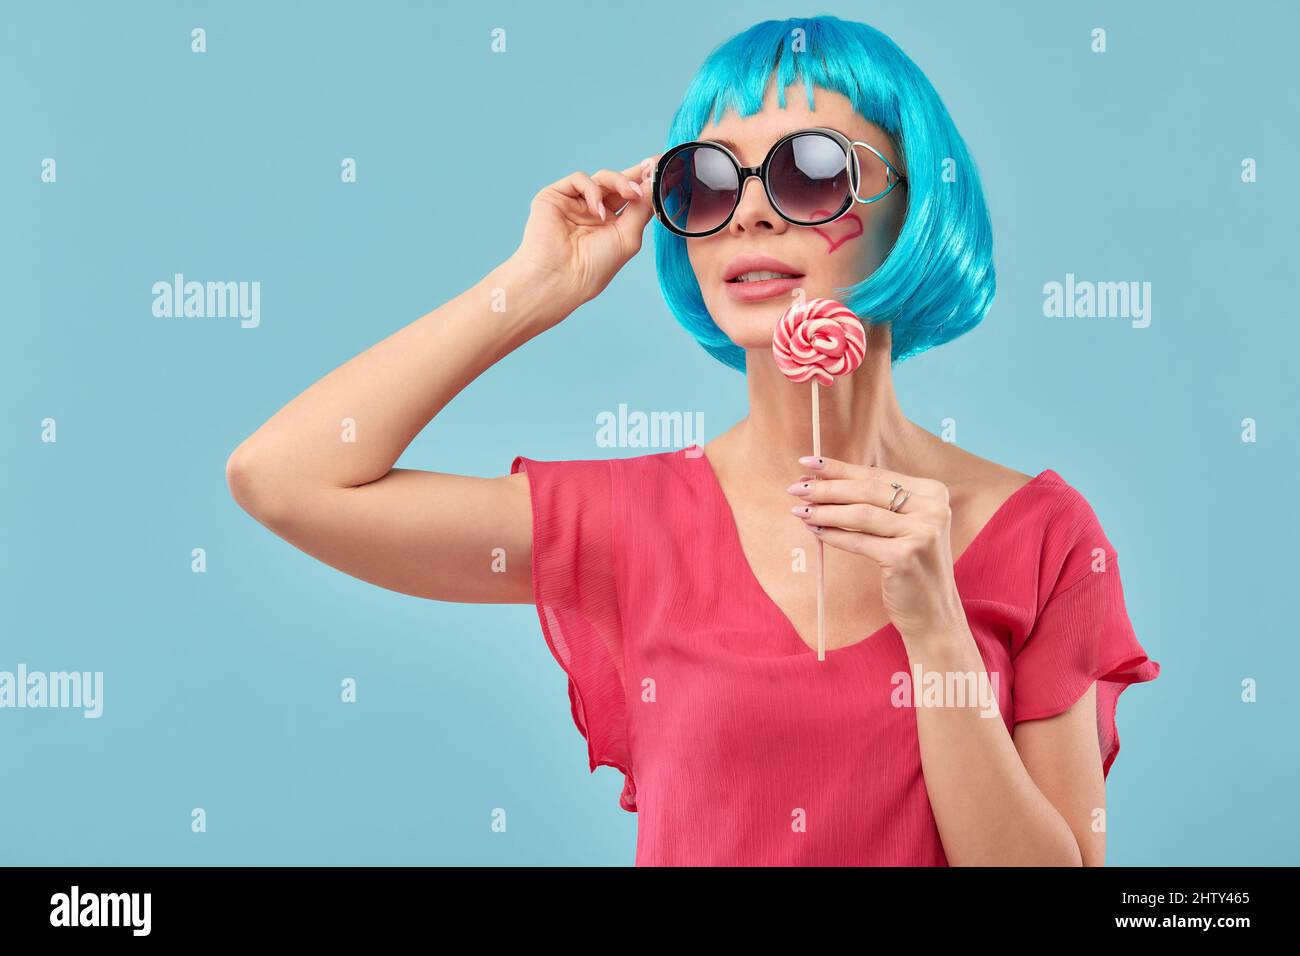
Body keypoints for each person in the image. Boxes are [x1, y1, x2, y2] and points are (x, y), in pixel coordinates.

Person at [226, 15, 1160, 866]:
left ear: (914, 209)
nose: (749, 212)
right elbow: (283, 479)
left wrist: (940, 637)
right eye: (706, 182)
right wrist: (535, 286)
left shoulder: (1043, 536)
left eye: (809, 170)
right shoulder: (631, 524)